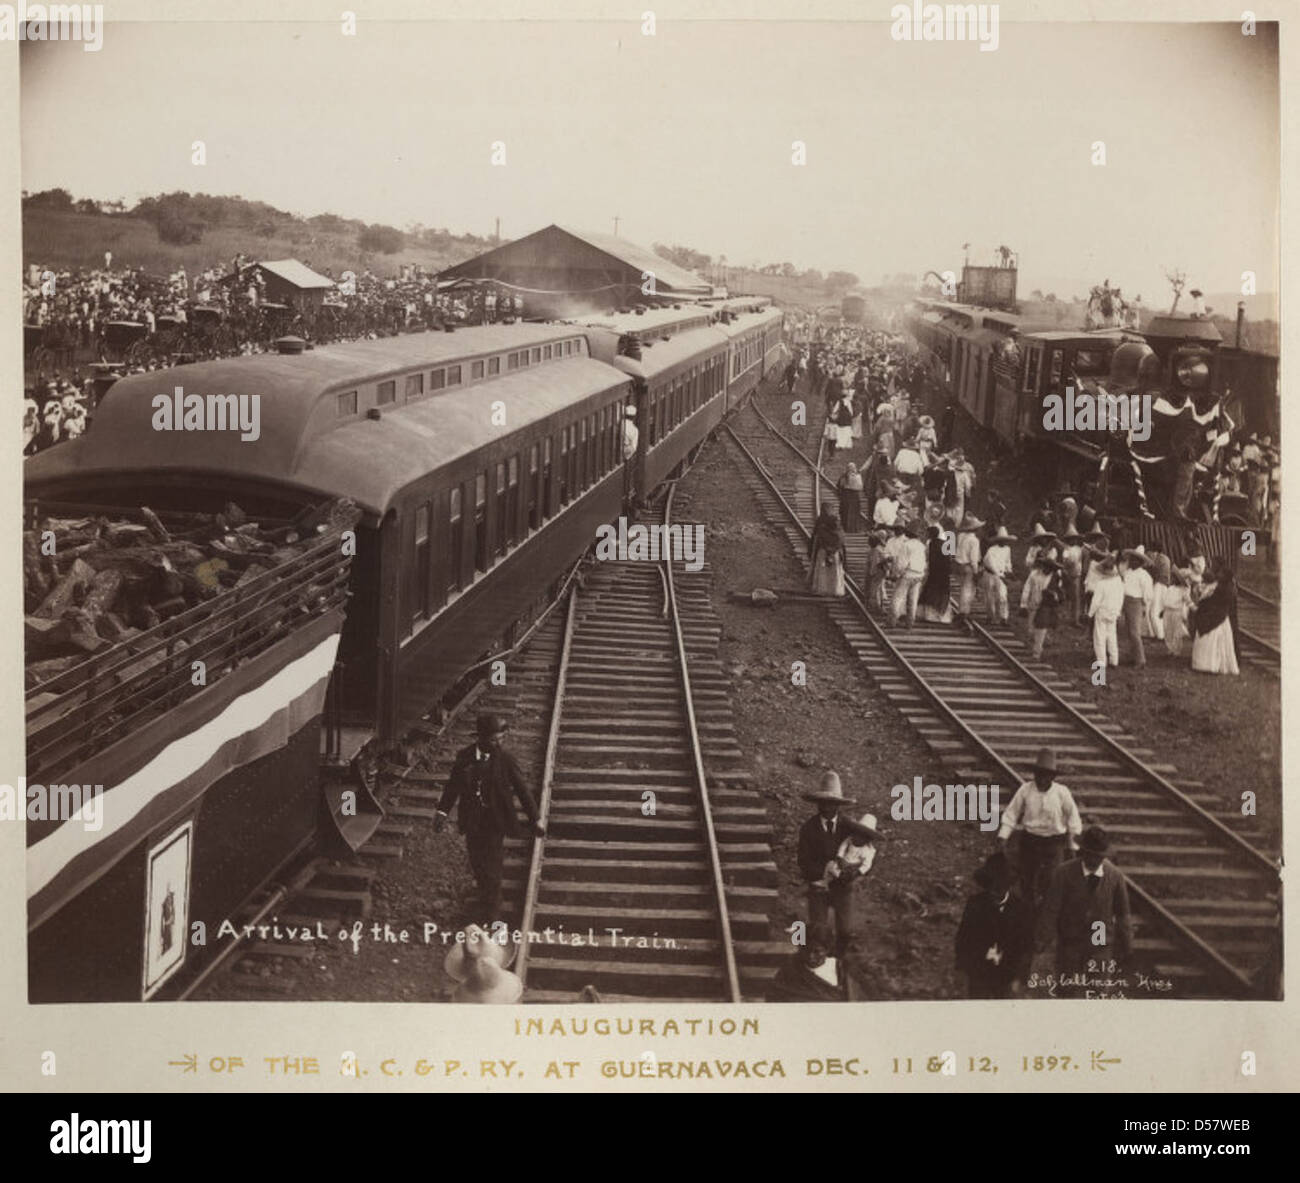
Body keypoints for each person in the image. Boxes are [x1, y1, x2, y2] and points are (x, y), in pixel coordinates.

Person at [435, 713, 545, 920]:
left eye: (502, 739)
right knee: (477, 863)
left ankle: (492, 915)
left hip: (495, 822)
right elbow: (452, 787)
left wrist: (535, 819)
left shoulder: (506, 760)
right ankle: (486, 898)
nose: (498, 744)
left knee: (493, 866)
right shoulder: (465, 757)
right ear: (481, 738)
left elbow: (523, 791)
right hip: (472, 821)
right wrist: (442, 812)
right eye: (494, 740)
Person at [1035, 825, 1132, 994]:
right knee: (1066, 989)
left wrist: (1126, 945)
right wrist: (1043, 939)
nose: (1093, 860)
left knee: (1097, 991)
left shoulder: (1115, 876)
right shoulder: (1063, 873)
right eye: (1089, 855)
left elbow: (1123, 914)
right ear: (1082, 852)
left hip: (1101, 945)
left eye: (1099, 856)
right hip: (1070, 943)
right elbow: (1051, 909)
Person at [996, 747, 1083, 911]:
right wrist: (1003, 836)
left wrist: (1073, 846)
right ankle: (1027, 914)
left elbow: (1073, 819)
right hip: (1030, 842)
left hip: (1054, 843)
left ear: (1053, 777)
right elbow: (1011, 813)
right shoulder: (1025, 790)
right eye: (1039, 774)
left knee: (1051, 880)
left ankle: (1046, 913)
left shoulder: (1061, 793)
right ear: (1034, 774)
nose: (1042, 779)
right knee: (1026, 880)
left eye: (1046, 775)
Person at [797, 773, 873, 959]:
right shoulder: (808, 828)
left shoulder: (849, 826)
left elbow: (866, 851)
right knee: (818, 931)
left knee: (845, 931)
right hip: (818, 886)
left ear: (839, 805)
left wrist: (854, 872)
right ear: (818, 803)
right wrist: (822, 873)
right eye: (823, 802)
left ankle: (839, 962)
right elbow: (803, 861)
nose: (827, 807)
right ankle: (816, 963)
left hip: (843, 887)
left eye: (831, 803)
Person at [955, 852, 1033, 998]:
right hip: (979, 971)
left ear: (1008, 886)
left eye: (1000, 886)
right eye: (991, 885)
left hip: (1008, 973)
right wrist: (963, 968)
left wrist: (1018, 978)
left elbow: (1025, 946)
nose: (995, 891)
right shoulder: (975, 904)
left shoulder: (1021, 908)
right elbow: (963, 938)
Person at [1190, 556, 1240, 675]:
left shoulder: (1226, 585)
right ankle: (1202, 664)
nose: (1212, 567)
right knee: (1205, 634)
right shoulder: (1217, 582)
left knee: (1212, 639)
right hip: (1213, 612)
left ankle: (1210, 665)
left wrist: (1206, 601)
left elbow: (1222, 600)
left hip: (1218, 614)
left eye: (1214, 565)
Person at [1087, 554, 1124, 671]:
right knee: (1112, 636)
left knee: (1099, 637)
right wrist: (1118, 611)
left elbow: (1096, 601)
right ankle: (1114, 660)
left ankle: (1101, 661)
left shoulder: (1101, 584)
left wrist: (1090, 614)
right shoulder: (1119, 583)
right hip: (1113, 612)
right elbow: (1120, 598)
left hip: (1102, 612)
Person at [1021, 554, 1063, 659]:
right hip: (1033, 603)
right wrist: (1023, 603)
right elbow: (1027, 588)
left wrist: (1054, 595)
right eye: (1046, 566)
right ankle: (1040, 642)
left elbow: (1059, 592)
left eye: (1050, 568)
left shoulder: (1055, 577)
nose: (1047, 569)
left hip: (1045, 606)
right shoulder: (1034, 574)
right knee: (1031, 629)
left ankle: (1037, 652)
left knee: (1041, 627)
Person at [1120, 546, 1154, 667]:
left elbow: (1148, 593)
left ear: (1141, 562)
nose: (1133, 562)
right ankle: (1132, 656)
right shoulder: (1127, 572)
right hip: (1126, 600)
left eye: (1136, 560)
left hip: (1136, 602)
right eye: (1132, 559)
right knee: (1128, 631)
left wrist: (1144, 606)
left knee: (1135, 632)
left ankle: (1140, 660)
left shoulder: (1144, 575)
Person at [890, 522, 928, 628]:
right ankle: (910, 623)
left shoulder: (906, 545)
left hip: (907, 574)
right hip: (919, 575)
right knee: (913, 600)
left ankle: (891, 621)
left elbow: (902, 563)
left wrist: (896, 574)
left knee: (897, 598)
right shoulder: (921, 545)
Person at [954, 512, 984, 629]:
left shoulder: (961, 536)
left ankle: (962, 610)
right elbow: (974, 558)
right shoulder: (974, 540)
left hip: (960, 564)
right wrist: (976, 571)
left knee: (964, 587)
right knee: (969, 589)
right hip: (969, 566)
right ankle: (964, 611)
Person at [808, 507, 847, 597]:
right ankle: (835, 590)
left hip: (823, 553)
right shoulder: (840, 532)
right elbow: (841, 545)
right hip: (835, 555)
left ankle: (822, 589)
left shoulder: (822, 530)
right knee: (835, 574)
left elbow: (818, 542)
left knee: (823, 573)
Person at [981, 525, 1016, 625]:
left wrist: (1009, 570)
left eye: (1005, 540)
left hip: (1001, 574)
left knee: (1002, 596)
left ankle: (1003, 617)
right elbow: (990, 564)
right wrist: (999, 574)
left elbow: (1007, 562)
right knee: (989, 596)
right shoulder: (992, 550)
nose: (1003, 542)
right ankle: (990, 616)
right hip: (990, 574)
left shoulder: (1007, 549)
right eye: (1001, 540)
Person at [918, 524, 954, 623]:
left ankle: (930, 615)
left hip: (934, 572)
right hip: (943, 573)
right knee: (942, 593)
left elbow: (927, 557)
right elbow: (949, 559)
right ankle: (942, 616)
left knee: (931, 592)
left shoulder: (931, 544)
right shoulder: (945, 543)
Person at [863, 531, 888, 613]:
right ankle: (876, 605)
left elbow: (875, 563)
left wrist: (871, 573)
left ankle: (877, 606)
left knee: (875, 589)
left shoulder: (876, 550)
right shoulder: (876, 549)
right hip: (879, 572)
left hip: (877, 572)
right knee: (877, 589)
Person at [837, 463, 864, 533]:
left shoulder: (844, 476)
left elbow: (840, 485)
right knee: (854, 512)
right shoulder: (858, 476)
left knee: (845, 512)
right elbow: (860, 487)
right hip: (855, 497)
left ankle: (846, 528)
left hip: (846, 496)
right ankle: (854, 529)